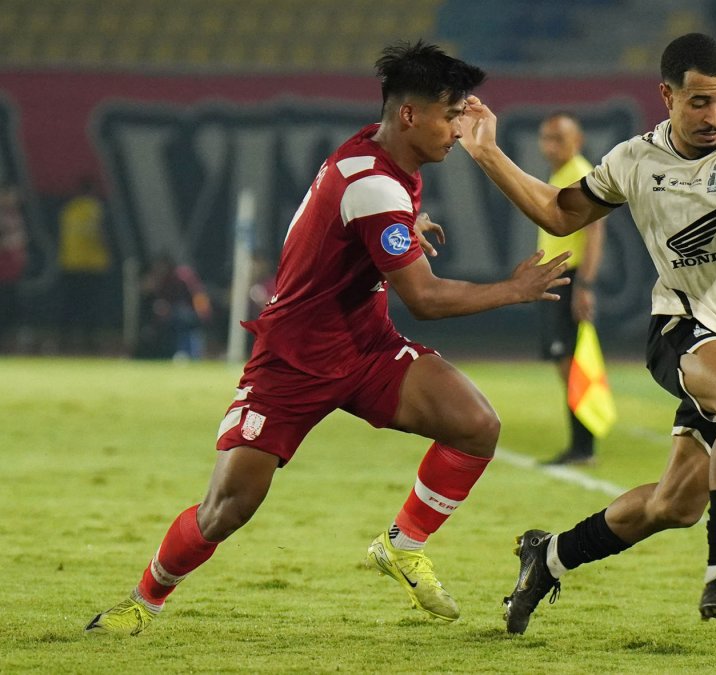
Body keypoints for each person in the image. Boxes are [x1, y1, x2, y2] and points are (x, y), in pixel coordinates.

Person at [86, 40, 570, 636]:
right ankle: (142, 601)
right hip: (292, 361)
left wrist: (398, 227)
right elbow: (425, 298)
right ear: (411, 114)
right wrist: (513, 290)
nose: (456, 130)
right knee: (227, 509)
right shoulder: (376, 186)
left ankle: (402, 545)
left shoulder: (380, 154)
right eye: (449, 115)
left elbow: (333, 218)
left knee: (476, 425)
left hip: (365, 346)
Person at [460, 32, 716, 632]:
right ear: (667, 96)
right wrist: (487, 155)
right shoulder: (634, 160)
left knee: (674, 505)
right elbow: (559, 210)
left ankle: (547, 557)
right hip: (683, 329)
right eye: (700, 102)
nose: (715, 116)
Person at [535, 111, 607, 466]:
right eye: (546, 139)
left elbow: (595, 231)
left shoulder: (579, 174)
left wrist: (585, 285)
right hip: (558, 278)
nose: (549, 147)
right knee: (565, 363)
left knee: (573, 365)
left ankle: (583, 445)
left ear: (576, 141)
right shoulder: (563, 173)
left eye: (557, 139)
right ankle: (580, 443)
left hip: (570, 279)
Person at [56, 178, 112, 353]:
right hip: (92, 265)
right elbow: (100, 234)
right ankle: (90, 340)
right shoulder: (94, 208)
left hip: (70, 263)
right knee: (91, 305)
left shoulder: (68, 209)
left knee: (71, 303)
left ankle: (64, 338)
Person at [0, 184, 28, 351]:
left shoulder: (15, 215)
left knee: (12, 307)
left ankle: (7, 340)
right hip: (2, 270)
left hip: (13, 270)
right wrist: (10, 242)